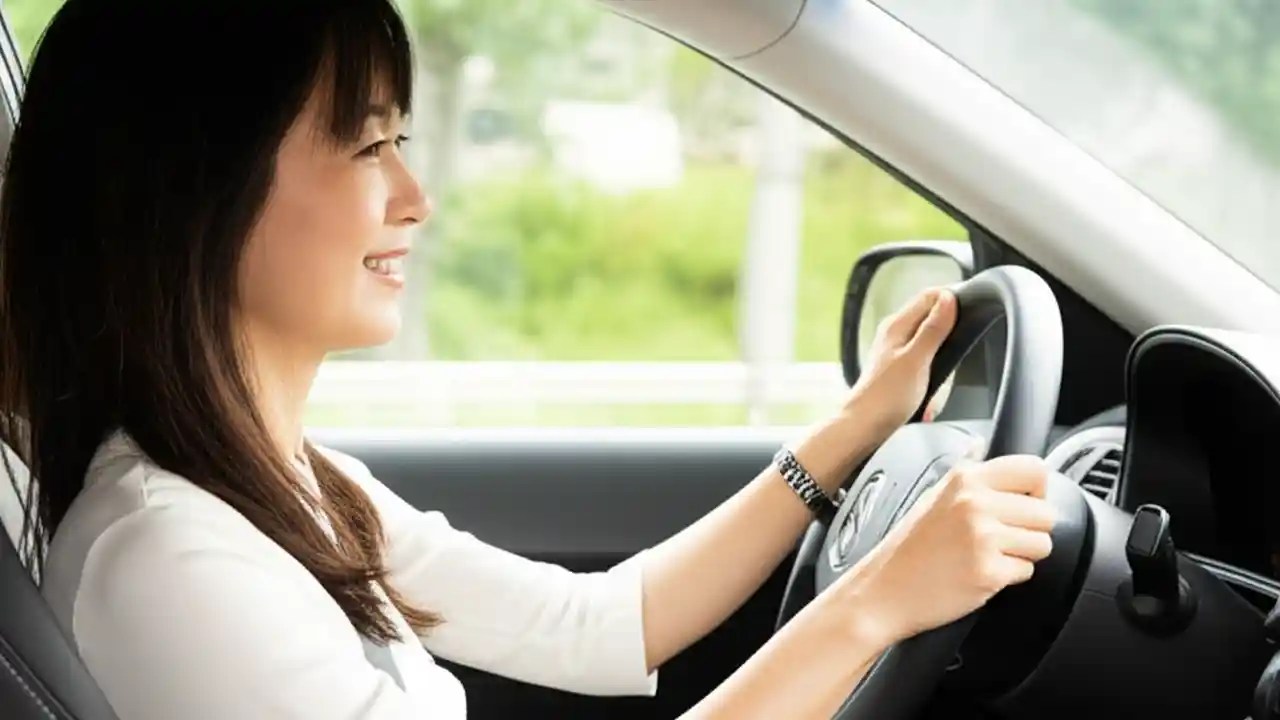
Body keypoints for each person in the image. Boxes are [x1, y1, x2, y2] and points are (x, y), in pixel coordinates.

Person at [0, 1, 1057, 718]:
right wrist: (873, 604)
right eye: (368, 147)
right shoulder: (169, 564)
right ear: (198, 198)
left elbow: (596, 623)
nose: (415, 198)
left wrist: (849, 436)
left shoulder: (278, 485)